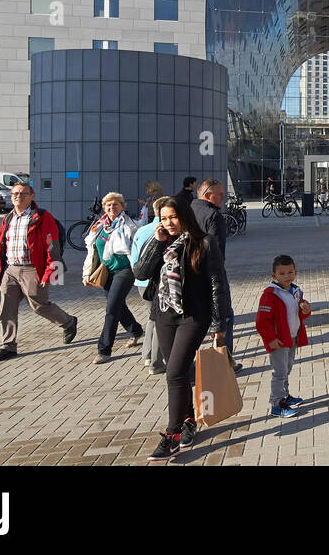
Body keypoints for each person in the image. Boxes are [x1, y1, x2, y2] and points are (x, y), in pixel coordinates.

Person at [133, 196, 232, 462]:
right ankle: (189, 419)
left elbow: (216, 284)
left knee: (175, 372)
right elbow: (140, 273)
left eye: (173, 217)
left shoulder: (205, 243)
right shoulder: (162, 244)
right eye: (164, 218)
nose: (169, 223)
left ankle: (172, 436)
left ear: (185, 216)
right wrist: (156, 242)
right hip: (165, 314)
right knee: (176, 372)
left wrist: (218, 325)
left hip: (193, 316)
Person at [0, 182, 78, 361]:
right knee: (6, 308)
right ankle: (7, 345)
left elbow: (52, 247)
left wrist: (50, 273)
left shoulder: (42, 217)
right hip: (11, 269)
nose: (18, 196)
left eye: (23, 193)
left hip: (33, 269)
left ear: (32, 196)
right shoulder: (8, 219)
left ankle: (68, 322)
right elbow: (2, 248)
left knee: (39, 305)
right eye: (15, 193)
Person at [84, 191, 146, 362]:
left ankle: (104, 350)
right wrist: (87, 272)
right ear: (104, 208)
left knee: (111, 308)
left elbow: (139, 246)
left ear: (122, 207)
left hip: (125, 270)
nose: (111, 207)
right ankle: (136, 330)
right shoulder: (99, 226)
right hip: (107, 270)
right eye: (108, 205)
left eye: (115, 204)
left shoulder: (130, 225)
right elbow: (92, 251)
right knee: (118, 306)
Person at [255, 254, 312, 418]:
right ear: (274, 276)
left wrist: (305, 310)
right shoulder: (270, 295)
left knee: (287, 369)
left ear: (296, 272)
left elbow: (299, 313)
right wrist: (270, 339)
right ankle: (276, 404)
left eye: (290, 272)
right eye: (282, 273)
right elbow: (262, 321)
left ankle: (285, 396)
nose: (286, 276)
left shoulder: (296, 291)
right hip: (278, 341)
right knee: (279, 372)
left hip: (292, 337)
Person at [192, 178, 240, 371]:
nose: (223, 198)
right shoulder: (214, 216)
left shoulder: (189, 210)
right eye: (219, 195)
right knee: (225, 315)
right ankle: (225, 361)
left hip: (191, 272)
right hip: (212, 273)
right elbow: (218, 249)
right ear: (207, 196)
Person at [131, 194, 170, 373]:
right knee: (157, 321)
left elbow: (134, 259)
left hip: (142, 283)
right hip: (157, 283)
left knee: (152, 319)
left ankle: (148, 356)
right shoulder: (166, 233)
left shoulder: (141, 230)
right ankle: (154, 360)